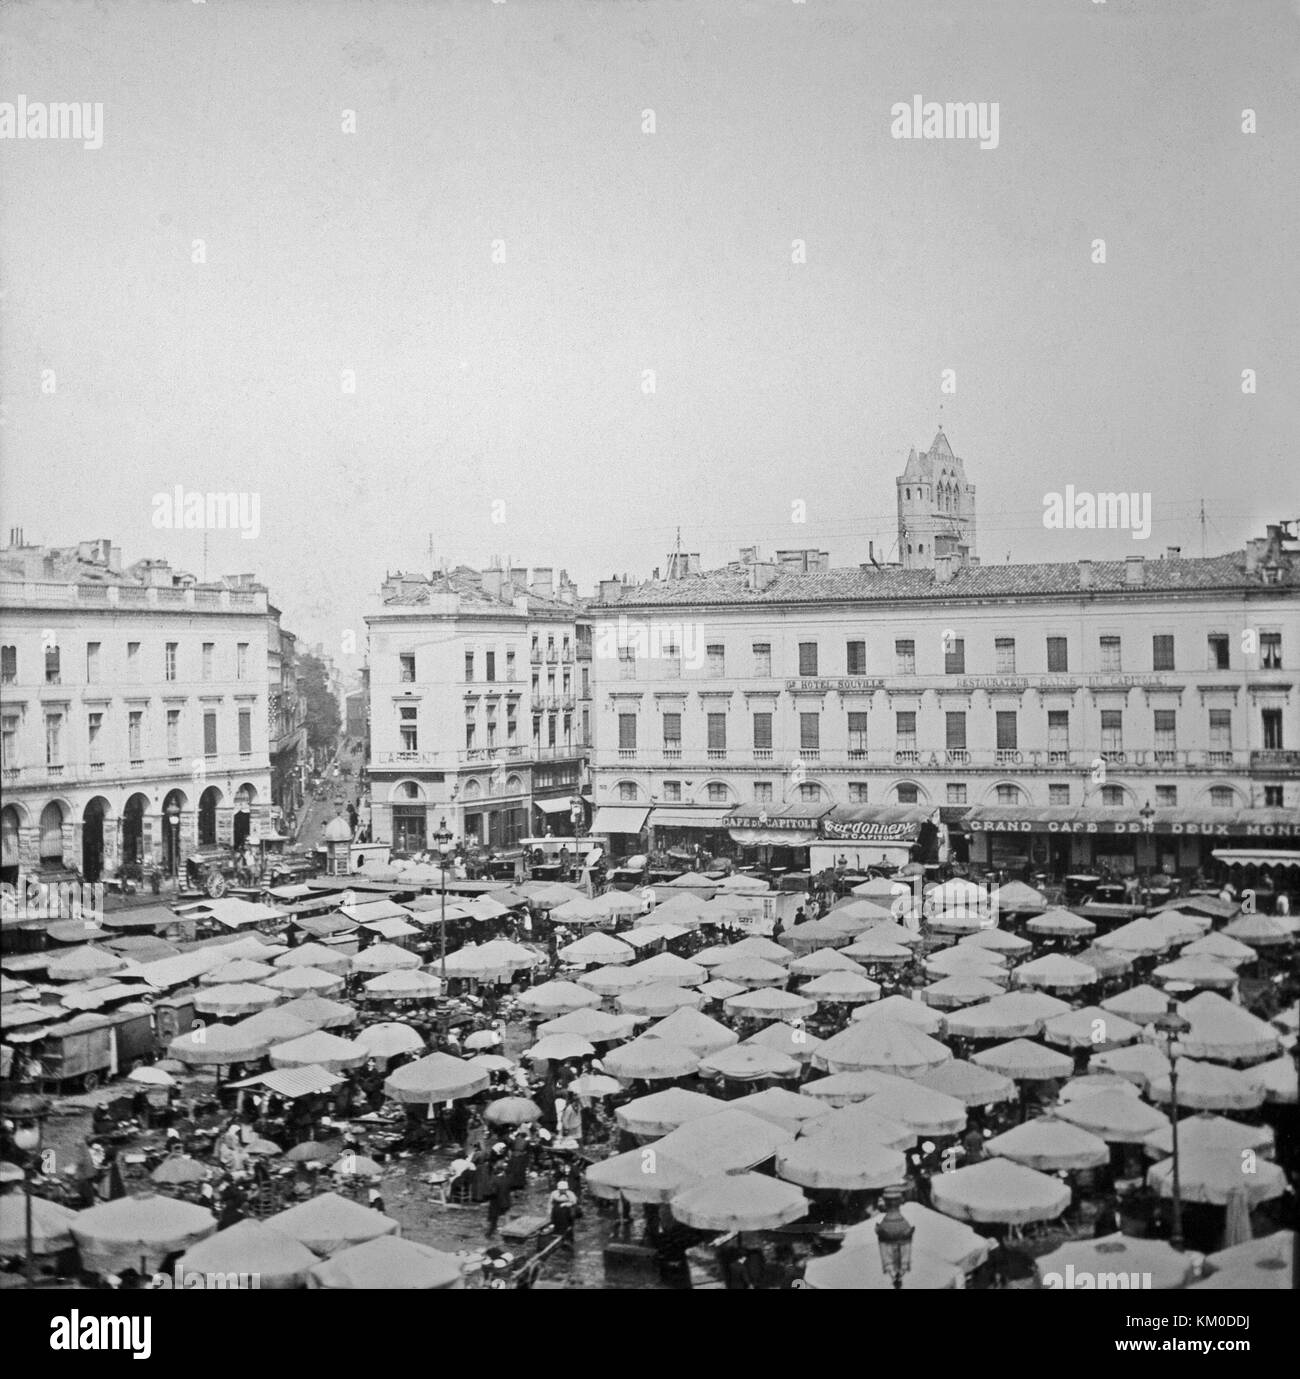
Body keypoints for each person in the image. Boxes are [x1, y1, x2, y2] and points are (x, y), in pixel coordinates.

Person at [548, 1178, 578, 1245]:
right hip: (556, 1211)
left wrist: (566, 1204)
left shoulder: (570, 1194)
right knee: (555, 1223)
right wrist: (549, 1211)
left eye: (564, 1189)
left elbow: (574, 1202)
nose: (562, 1191)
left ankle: (568, 1238)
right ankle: (556, 1236)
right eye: (561, 1189)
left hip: (566, 1210)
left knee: (567, 1224)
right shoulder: (554, 1193)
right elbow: (550, 1203)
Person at [485, 1166, 512, 1237]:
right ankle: (509, 1230)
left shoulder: (494, 1179)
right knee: (506, 1214)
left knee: (494, 1217)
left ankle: (490, 1232)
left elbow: (493, 1192)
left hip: (496, 1201)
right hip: (506, 1200)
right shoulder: (507, 1179)